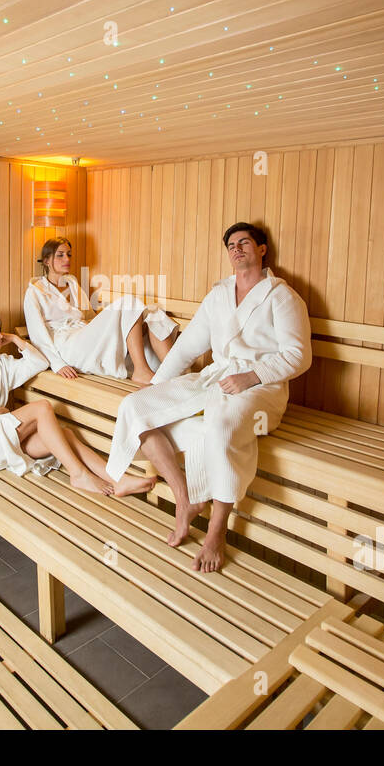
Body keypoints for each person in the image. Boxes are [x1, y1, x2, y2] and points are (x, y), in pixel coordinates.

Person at [104, 223, 312, 573]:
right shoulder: (219, 295)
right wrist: (158, 385)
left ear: (262, 249)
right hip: (215, 377)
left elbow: (299, 355)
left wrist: (250, 377)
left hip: (261, 388)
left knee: (218, 429)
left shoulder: (282, 296)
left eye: (244, 242)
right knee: (136, 407)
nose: (236, 249)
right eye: (230, 245)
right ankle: (185, 500)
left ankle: (217, 531)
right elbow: (187, 346)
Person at [0, 311, 156, 497]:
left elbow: (39, 362)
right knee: (42, 407)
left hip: (0, 440)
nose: (0, 336)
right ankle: (78, 473)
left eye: (0, 331)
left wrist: (17, 340)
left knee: (66, 435)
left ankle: (118, 480)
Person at [24, 237, 178, 386]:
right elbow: (37, 335)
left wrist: (120, 325)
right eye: (60, 255)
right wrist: (57, 364)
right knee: (129, 302)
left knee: (153, 313)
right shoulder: (35, 292)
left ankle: (173, 371)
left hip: (85, 337)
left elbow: (90, 318)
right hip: (67, 347)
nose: (67, 259)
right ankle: (141, 370)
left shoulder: (73, 284)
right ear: (46, 261)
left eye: (69, 254)